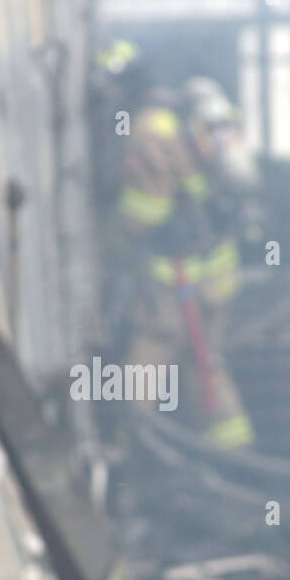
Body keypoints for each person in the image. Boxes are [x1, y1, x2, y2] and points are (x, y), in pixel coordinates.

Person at [97, 42, 254, 450]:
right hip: (217, 272)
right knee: (204, 366)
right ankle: (234, 460)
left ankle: (130, 459)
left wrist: (111, 228)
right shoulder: (177, 120)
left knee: (144, 365)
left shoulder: (150, 130)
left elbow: (146, 214)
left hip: (176, 280)